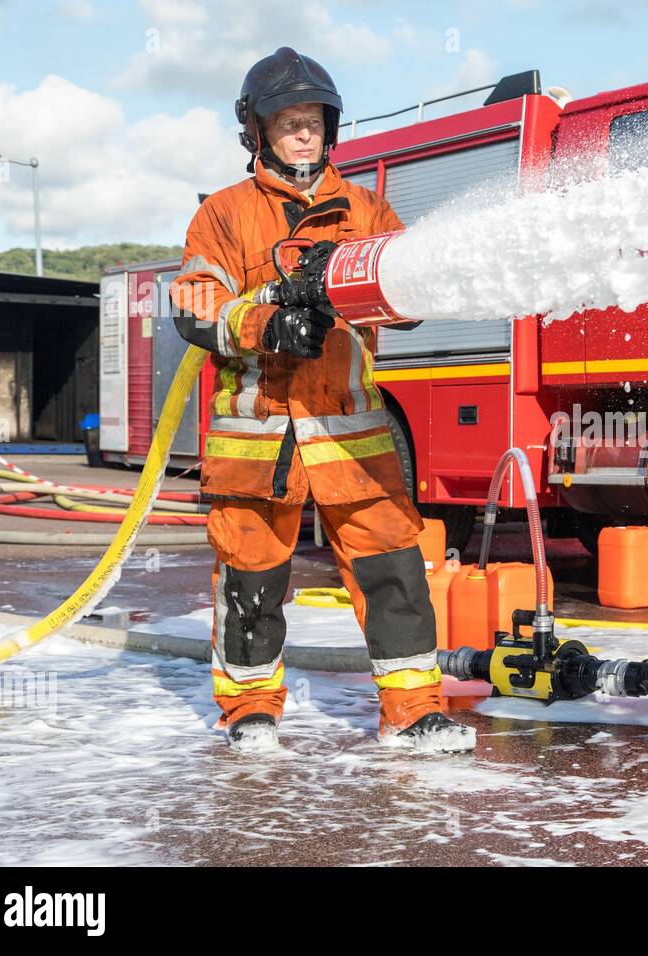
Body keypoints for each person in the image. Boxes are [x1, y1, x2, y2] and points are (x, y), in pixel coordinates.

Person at [170, 47, 475, 754]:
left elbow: (407, 300)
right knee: (251, 578)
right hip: (258, 438)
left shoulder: (364, 208)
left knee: (394, 571)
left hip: (352, 440)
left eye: (313, 121)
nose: (302, 133)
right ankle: (249, 710)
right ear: (257, 131)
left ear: (330, 129)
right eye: (287, 121)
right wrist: (267, 322)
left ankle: (413, 711)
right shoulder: (223, 215)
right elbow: (194, 305)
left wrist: (395, 284)